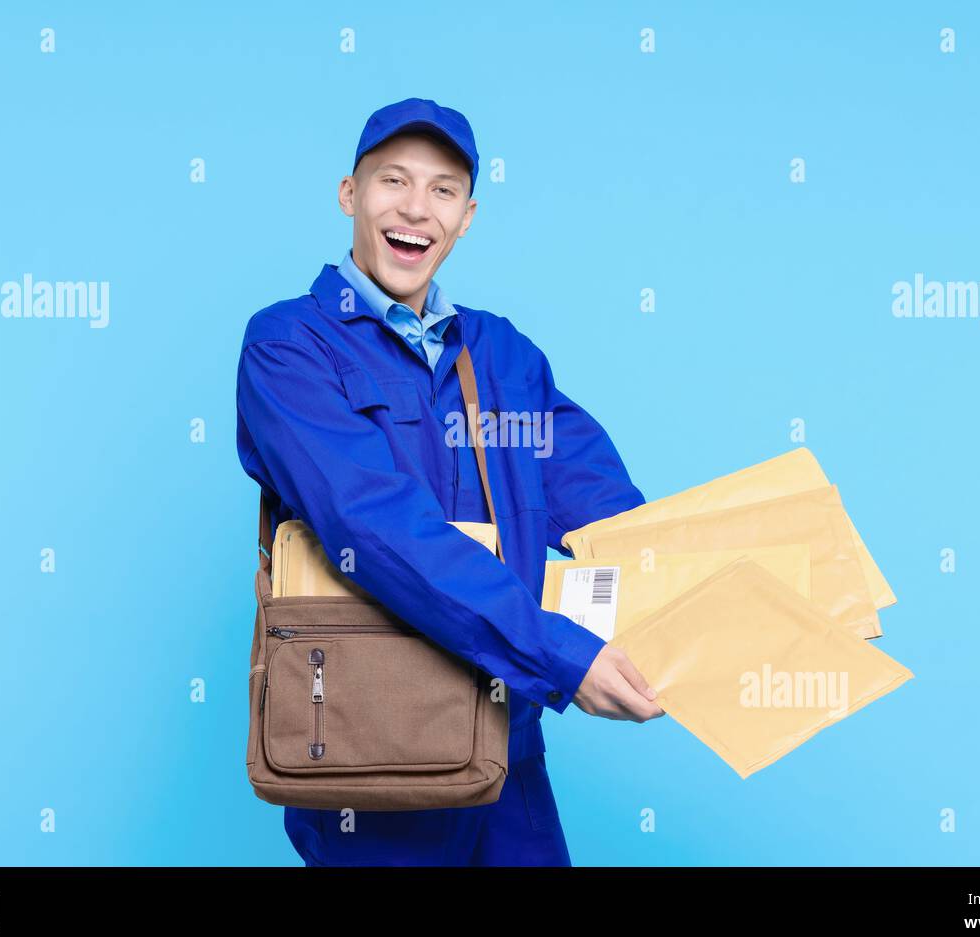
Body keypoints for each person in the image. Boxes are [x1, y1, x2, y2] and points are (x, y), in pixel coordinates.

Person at [236, 97, 664, 866]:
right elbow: (376, 527)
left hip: (509, 755)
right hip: (373, 761)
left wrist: (743, 599)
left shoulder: (503, 356)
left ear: (467, 215)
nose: (414, 208)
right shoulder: (289, 345)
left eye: (442, 190)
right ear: (349, 194)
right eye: (392, 181)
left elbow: (615, 517)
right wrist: (562, 654)